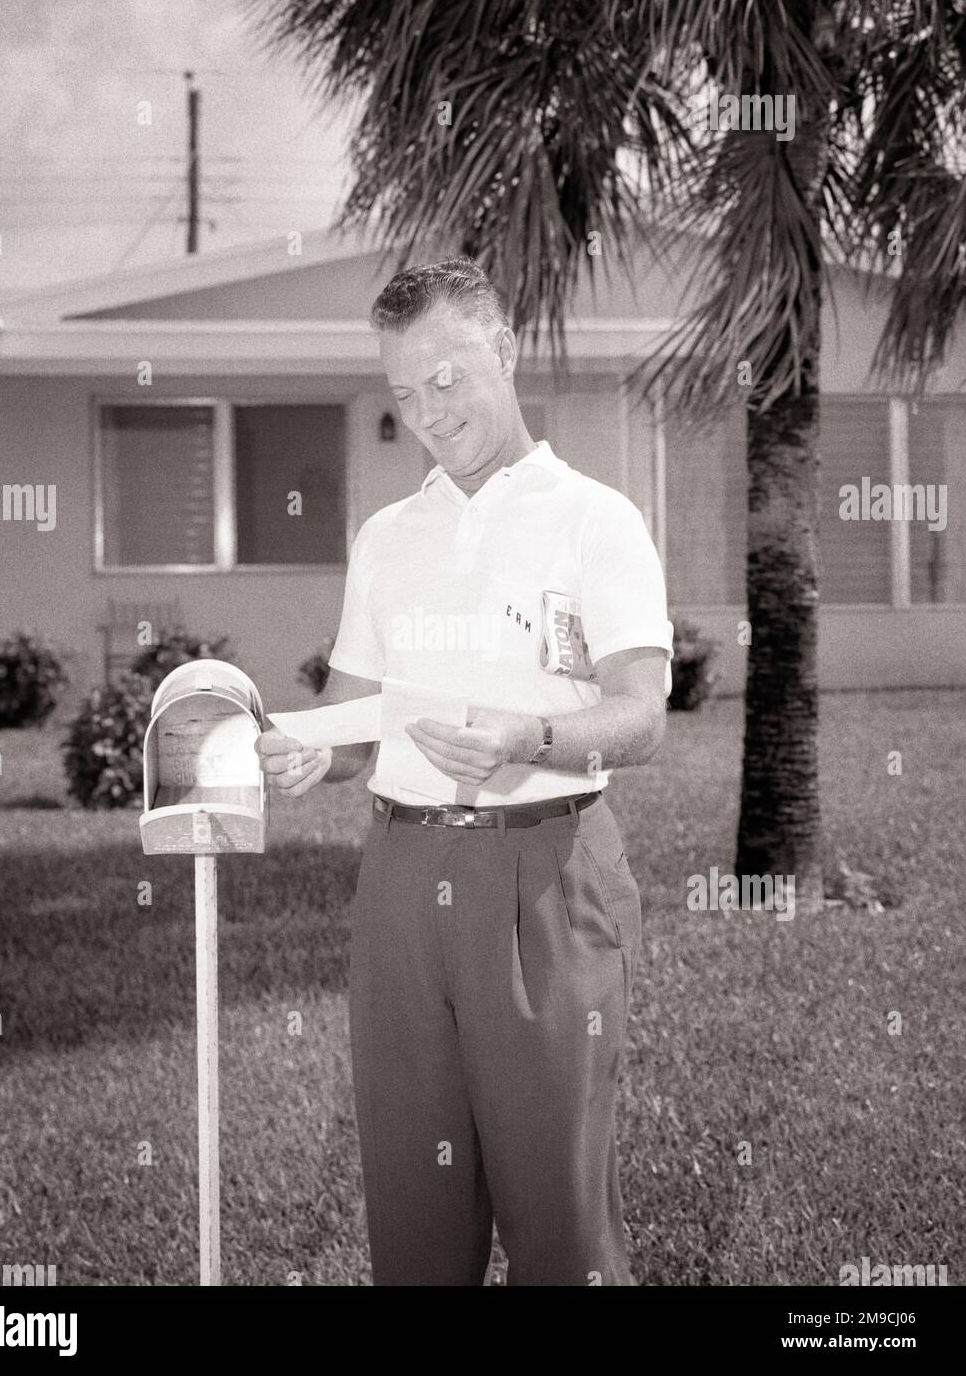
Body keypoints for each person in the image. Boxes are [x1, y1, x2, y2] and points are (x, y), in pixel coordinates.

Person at [256, 257, 674, 1286]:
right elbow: (356, 727)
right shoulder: (386, 538)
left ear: (504, 350)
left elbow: (641, 714)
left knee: (558, 1223)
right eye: (403, 394)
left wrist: (526, 737)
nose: (429, 413)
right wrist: (311, 748)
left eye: (446, 379)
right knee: (412, 1214)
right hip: (400, 881)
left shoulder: (594, 518)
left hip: (547, 873)